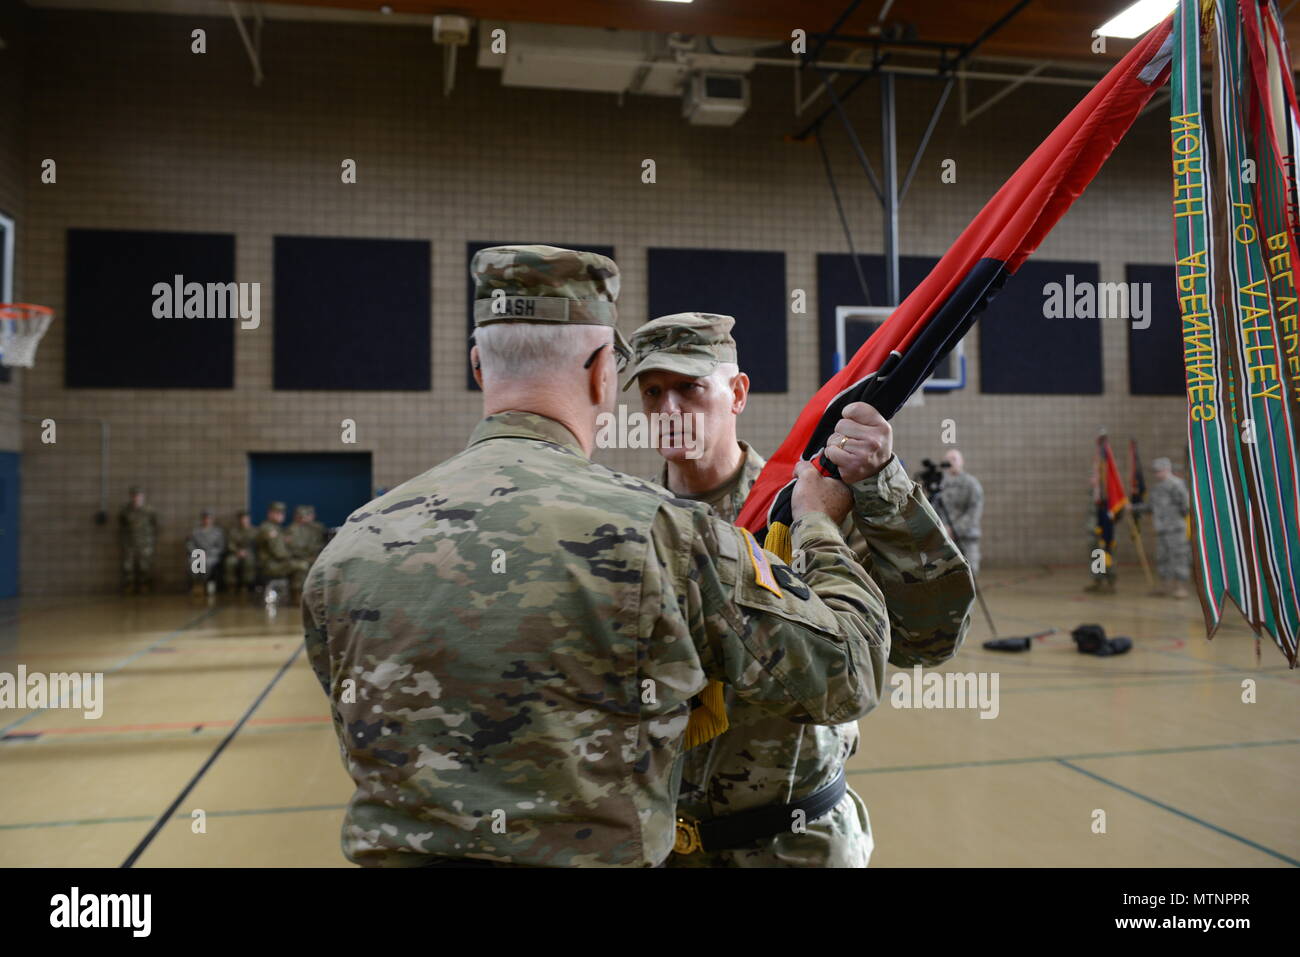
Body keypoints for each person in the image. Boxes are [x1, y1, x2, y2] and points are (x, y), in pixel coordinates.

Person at [302, 245, 893, 868]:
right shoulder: (661, 534)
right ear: (602, 374)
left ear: (479, 365)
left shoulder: (351, 545)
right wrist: (821, 526)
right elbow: (848, 671)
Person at [627, 311, 974, 867]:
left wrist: (883, 487)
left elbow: (926, 637)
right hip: (663, 849)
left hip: (795, 847)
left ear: (737, 393)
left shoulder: (809, 507)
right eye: (652, 392)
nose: (669, 410)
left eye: (689, 387)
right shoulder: (629, 524)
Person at [1133, 457, 1191, 598]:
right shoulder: (1157, 488)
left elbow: (1186, 506)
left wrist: (1174, 519)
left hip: (1175, 529)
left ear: (1167, 469)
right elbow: (1150, 507)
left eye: (1158, 471)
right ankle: (1165, 587)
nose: (1156, 474)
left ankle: (1181, 587)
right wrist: (1133, 508)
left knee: (1179, 557)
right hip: (1161, 530)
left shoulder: (1177, 485)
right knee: (1162, 558)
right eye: (1155, 472)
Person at [938, 449, 983, 576]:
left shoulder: (971, 484)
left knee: (969, 573)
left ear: (961, 461)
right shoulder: (939, 484)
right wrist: (942, 528)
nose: (951, 462)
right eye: (948, 459)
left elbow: (974, 512)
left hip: (967, 538)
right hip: (944, 539)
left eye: (954, 459)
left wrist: (954, 529)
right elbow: (933, 509)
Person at [257, 501, 309, 599]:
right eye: (278, 513)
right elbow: (279, 553)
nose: (281, 515)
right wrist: (292, 557)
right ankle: (296, 597)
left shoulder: (276, 528)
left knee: (300, 563)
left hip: (276, 562)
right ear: (270, 514)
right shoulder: (269, 529)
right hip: (271, 564)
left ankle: (296, 594)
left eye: (282, 513)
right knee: (302, 566)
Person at [119, 485, 158, 595]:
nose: (136, 498)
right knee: (128, 566)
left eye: (139, 496)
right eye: (134, 496)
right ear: (131, 497)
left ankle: (144, 585)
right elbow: (122, 524)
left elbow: (155, 524)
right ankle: (129, 585)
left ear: (142, 497)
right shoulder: (125, 511)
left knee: (144, 565)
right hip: (129, 542)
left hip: (145, 542)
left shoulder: (149, 510)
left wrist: (150, 538)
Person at [185, 508, 225, 597]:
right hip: (198, 553)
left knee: (206, 563)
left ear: (212, 520)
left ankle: (204, 582)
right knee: (192, 562)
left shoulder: (218, 532)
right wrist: (196, 552)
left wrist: (210, 552)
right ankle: (197, 583)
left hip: (211, 555)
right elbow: (190, 544)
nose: (207, 520)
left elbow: (220, 547)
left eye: (209, 518)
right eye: (205, 518)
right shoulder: (196, 531)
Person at [224, 510, 257, 593]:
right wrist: (237, 551)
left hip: (249, 553)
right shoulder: (233, 531)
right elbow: (230, 544)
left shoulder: (254, 531)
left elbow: (257, 544)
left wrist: (246, 552)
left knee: (249, 562)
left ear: (249, 519)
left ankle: (245, 585)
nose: (244, 520)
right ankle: (231, 585)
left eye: (246, 518)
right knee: (230, 562)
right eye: (242, 519)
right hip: (236, 553)